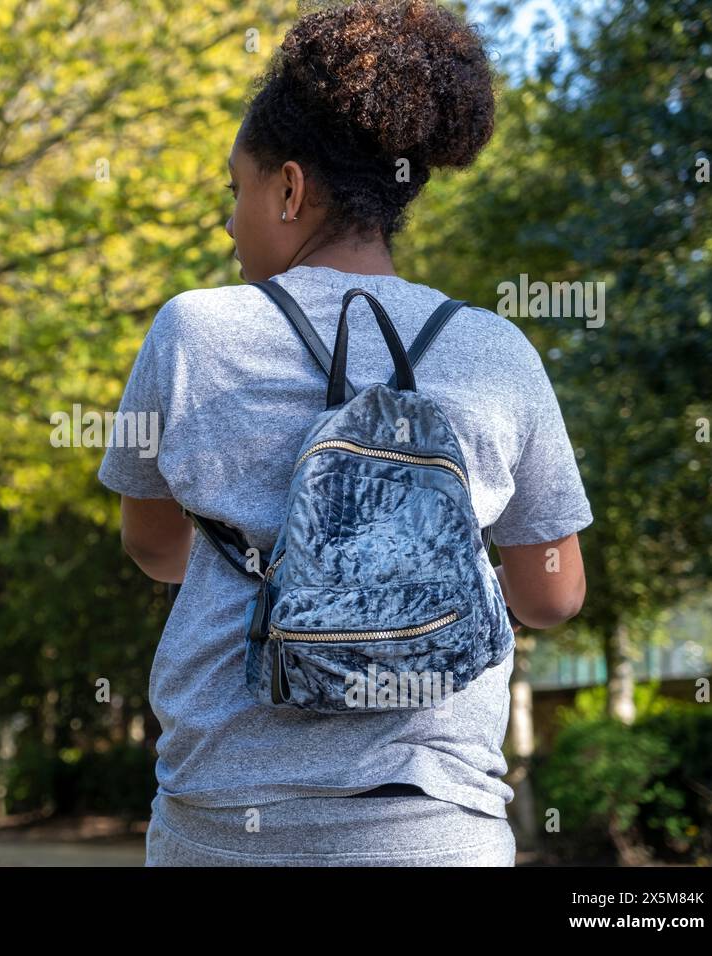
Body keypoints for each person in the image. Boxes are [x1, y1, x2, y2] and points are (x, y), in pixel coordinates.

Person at [98, 0, 591, 866]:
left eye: (235, 190)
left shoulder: (194, 331)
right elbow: (553, 596)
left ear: (288, 190)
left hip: (225, 819)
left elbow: (153, 545)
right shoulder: (495, 349)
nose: (227, 220)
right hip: (435, 824)